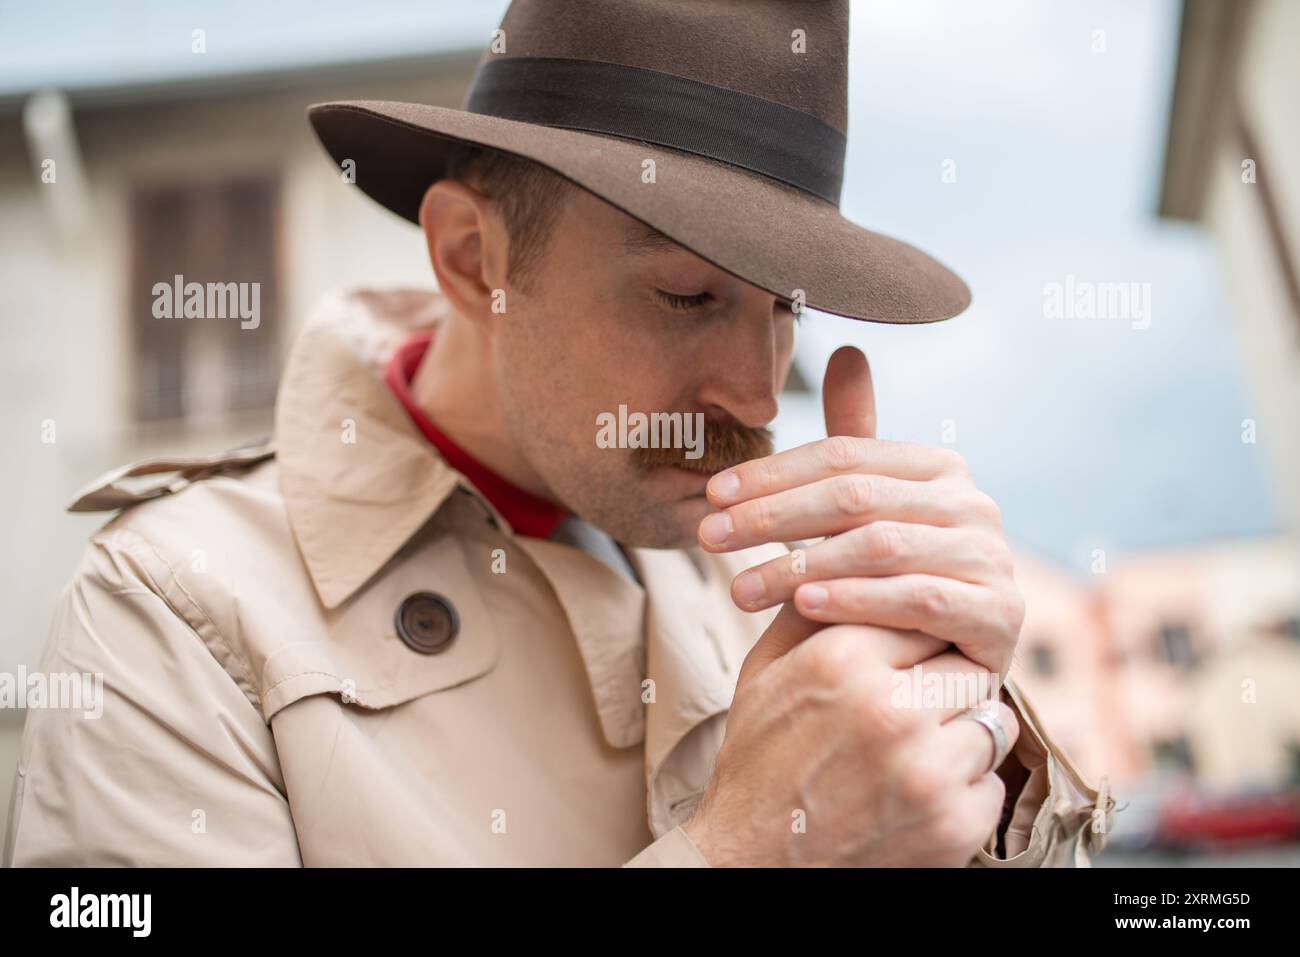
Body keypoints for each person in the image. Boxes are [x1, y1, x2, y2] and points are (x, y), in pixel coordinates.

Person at [3, 0, 1112, 867]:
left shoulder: (785, 587)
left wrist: (974, 754)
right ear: (475, 260)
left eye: (783, 310)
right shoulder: (170, 613)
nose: (757, 394)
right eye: (687, 298)